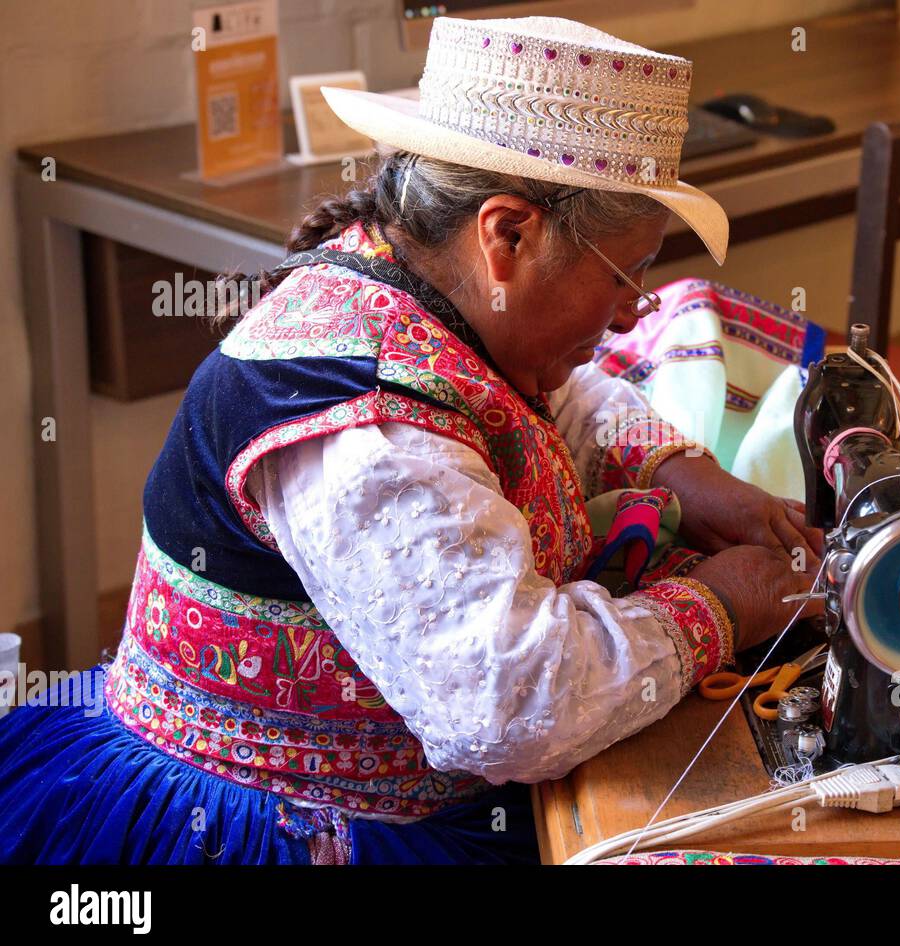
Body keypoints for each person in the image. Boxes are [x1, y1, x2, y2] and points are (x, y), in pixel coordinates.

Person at [0, 15, 822, 864]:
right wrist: (723, 603)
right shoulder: (367, 430)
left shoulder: (426, 288)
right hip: (283, 827)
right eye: (626, 273)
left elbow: (558, 391)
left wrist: (677, 471)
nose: (631, 311)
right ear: (507, 236)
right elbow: (507, 706)